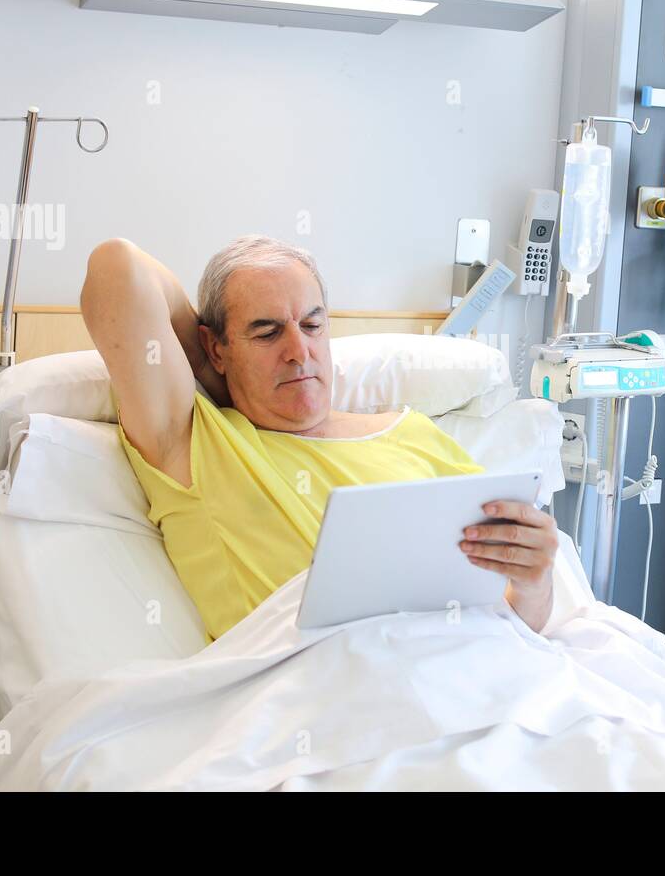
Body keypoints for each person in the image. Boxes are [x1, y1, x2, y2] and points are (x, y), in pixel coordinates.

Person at [80, 235, 557, 642]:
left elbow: (510, 625)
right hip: (321, 704)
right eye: (266, 333)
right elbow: (116, 268)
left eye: (311, 325)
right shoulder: (197, 442)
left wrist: (534, 583)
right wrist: (213, 371)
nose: (298, 352)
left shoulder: (414, 434)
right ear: (214, 346)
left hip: (467, 679)